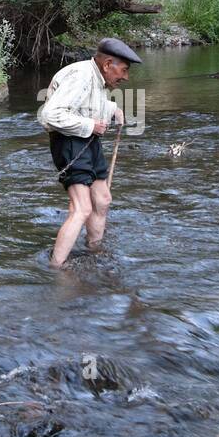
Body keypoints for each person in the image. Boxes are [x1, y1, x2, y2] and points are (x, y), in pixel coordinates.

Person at [37, 37, 141, 268]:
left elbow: (88, 103)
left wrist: (113, 108)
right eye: (123, 70)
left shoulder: (96, 77)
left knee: (102, 200)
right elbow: (50, 115)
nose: (125, 77)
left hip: (87, 140)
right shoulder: (81, 76)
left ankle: (94, 250)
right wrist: (90, 125)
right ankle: (57, 265)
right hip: (69, 143)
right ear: (107, 64)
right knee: (81, 208)